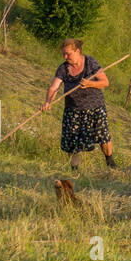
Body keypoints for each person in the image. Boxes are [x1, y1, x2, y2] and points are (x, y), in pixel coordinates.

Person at [42, 38, 116, 171]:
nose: (65, 57)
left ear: (78, 51)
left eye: (68, 54)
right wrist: (48, 101)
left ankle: (110, 163)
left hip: (95, 108)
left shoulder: (90, 62)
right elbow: (54, 88)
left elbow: (105, 82)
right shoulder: (63, 68)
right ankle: (74, 171)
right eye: (63, 54)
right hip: (73, 110)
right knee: (72, 144)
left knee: (103, 137)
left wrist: (90, 84)